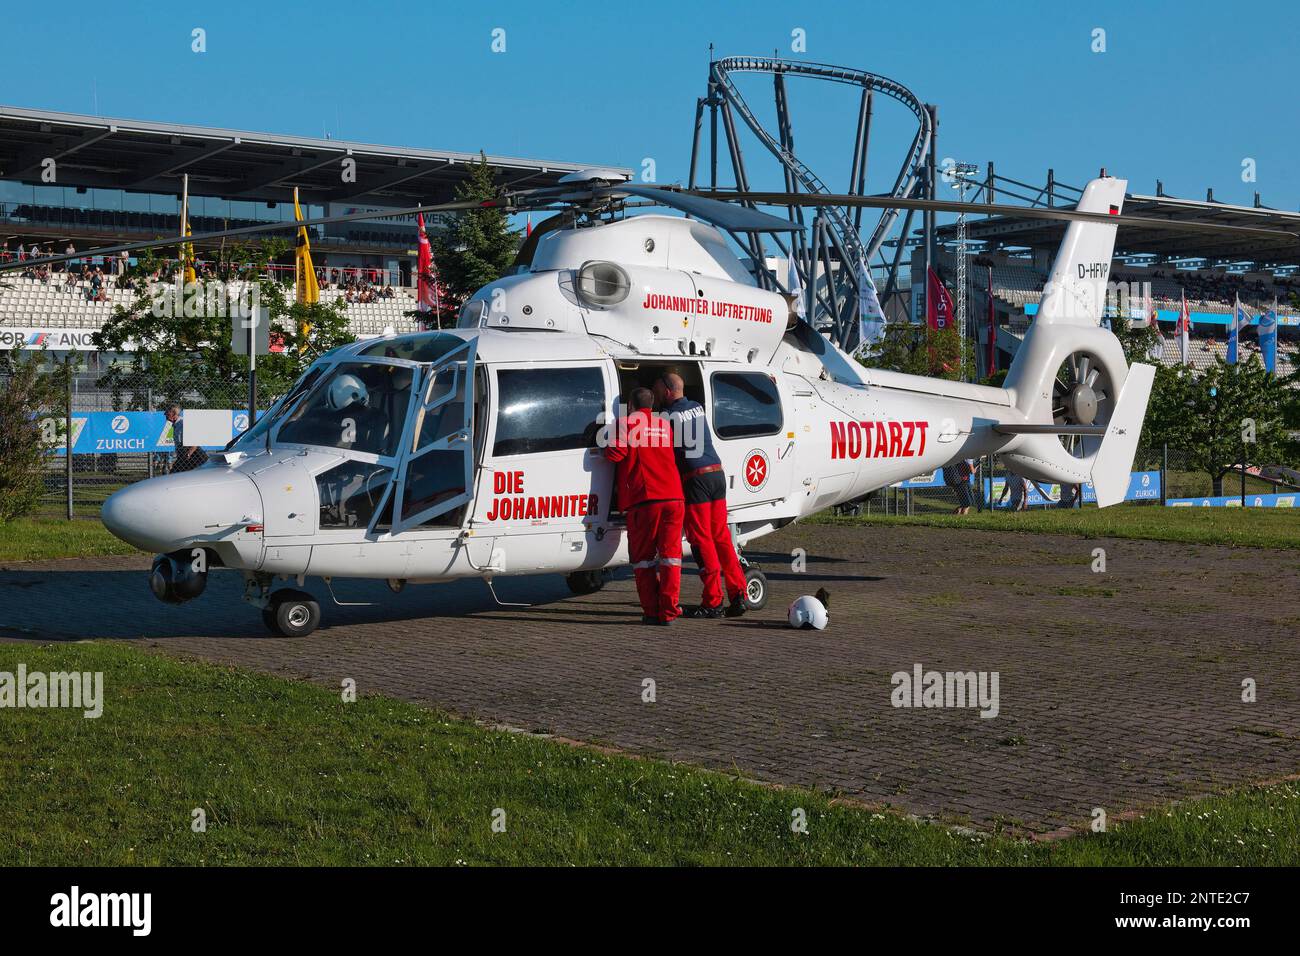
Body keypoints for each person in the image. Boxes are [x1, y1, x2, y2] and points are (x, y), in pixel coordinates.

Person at [654, 371, 747, 618]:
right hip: (716, 473)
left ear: (667, 390)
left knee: (700, 538)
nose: (654, 394)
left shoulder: (667, 416)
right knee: (722, 537)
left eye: (656, 389)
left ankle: (713, 601)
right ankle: (739, 594)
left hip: (696, 479)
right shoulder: (697, 407)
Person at [604, 387, 684, 625]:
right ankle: (669, 611)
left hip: (645, 500)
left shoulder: (626, 424)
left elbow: (615, 454)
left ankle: (651, 611)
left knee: (643, 560)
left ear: (630, 405)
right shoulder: (664, 425)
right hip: (674, 498)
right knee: (671, 558)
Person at [165, 405, 205, 473]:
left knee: (174, 474)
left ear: (174, 414)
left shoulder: (183, 423)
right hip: (184, 455)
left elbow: (195, 442)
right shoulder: (176, 425)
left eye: (168, 414)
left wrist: (188, 454)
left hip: (193, 455)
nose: (165, 415)